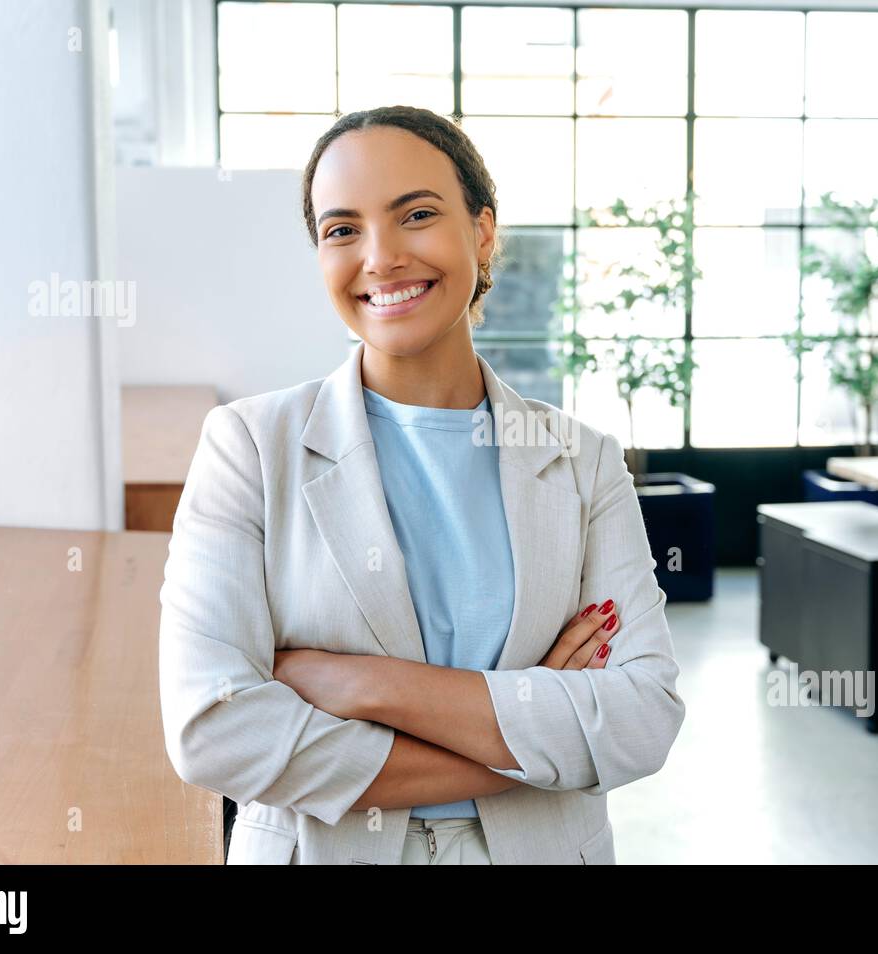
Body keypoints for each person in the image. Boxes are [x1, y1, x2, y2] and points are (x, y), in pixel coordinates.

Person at [158, 104, 686, 864]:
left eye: (416, 214)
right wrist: (526, 748)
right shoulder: (249, 447)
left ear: (482, 230)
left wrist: (369, 686)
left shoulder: (582, 460)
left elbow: (641, 719)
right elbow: (213, 732)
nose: (380, 256)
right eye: (342, 230)